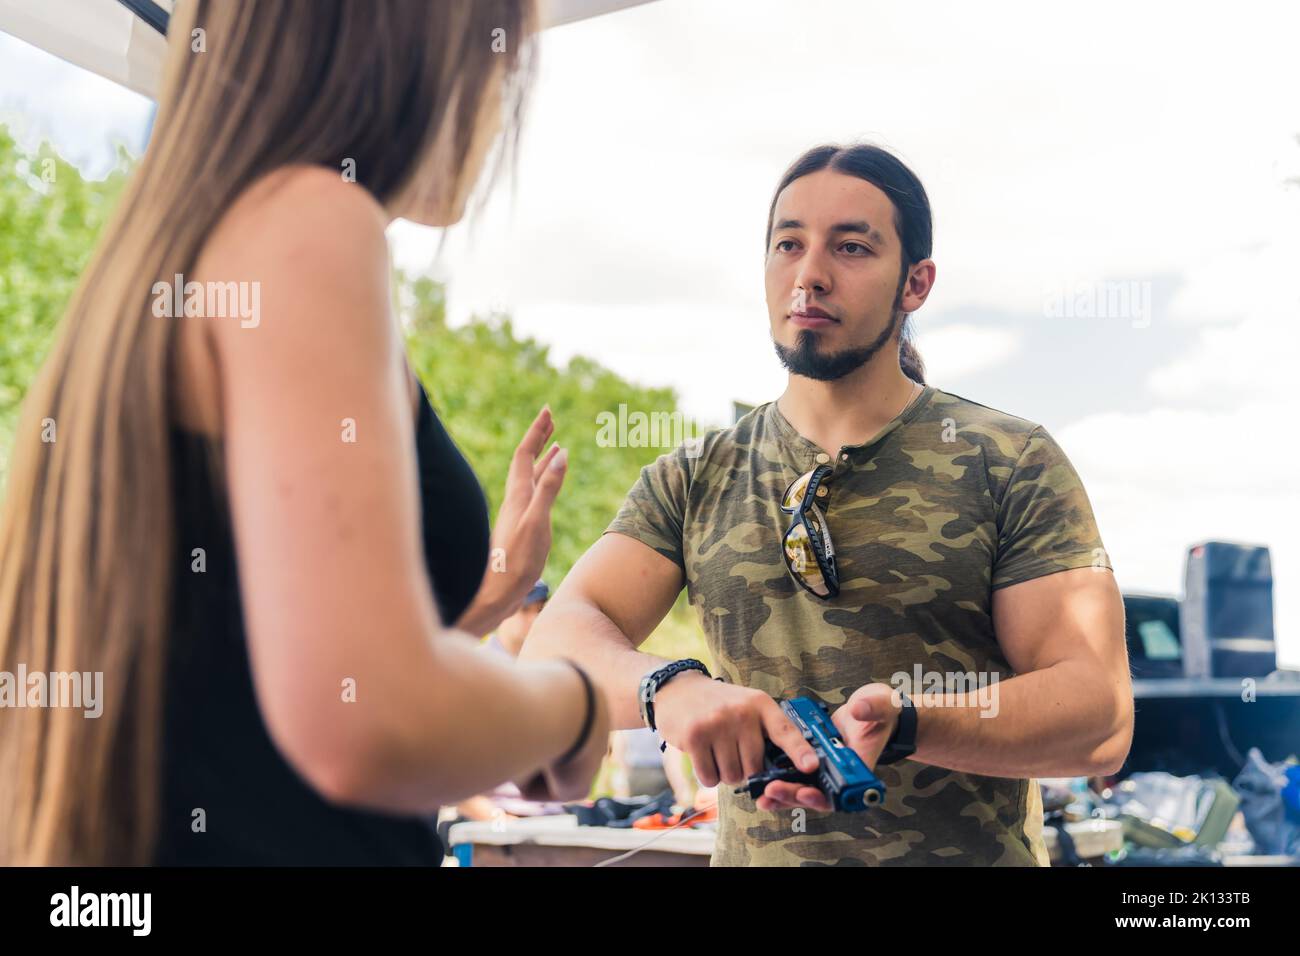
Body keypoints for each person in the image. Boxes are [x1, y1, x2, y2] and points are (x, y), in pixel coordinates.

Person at [0, 0, 609, 866]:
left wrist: (494, 591)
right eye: (496, 48)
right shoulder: (307, 221)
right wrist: (573, 708)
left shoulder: (198, 236)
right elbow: (362, 720)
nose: (502, 87)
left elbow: (236, 671)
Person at [522, 143, 1133, 866]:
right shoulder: (693, 474)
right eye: (789, 244)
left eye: (850, 247)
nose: (809, 275)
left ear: (916, 283)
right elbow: (554, 645)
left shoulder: (1010, 461)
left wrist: (906, 723)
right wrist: (670, 689)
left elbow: (1099, 717)